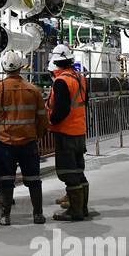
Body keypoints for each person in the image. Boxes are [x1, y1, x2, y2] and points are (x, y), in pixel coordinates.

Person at [0, 50, 48, 225]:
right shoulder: (33, 90)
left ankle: (5, 216)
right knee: (34, 178)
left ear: (3, 67)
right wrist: (39, 135)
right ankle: (38, 214)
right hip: (29, 141)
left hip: (5, 142)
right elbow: (42, 117)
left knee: (6, 179)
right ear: (21, 66)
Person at [47, 44, 93, 221]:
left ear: (55, 62)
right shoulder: (79, 77)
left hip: (66, 132)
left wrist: (51, 121)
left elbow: (61, 109)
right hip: (79, 131)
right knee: (78, 170)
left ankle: (75, 211)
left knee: (68, 172)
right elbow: (84, 102)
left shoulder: (61, 81)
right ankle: (82, 207)